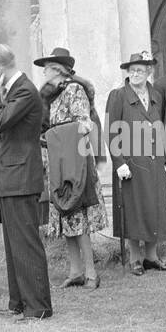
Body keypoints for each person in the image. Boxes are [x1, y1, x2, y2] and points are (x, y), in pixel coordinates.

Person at [0, 44, 52, 320]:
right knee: (14, 245)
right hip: (14, 176)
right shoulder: (15, 90)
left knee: (26, 244)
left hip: (22, 177)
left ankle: (38, 307)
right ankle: (19, 303)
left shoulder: (24, 90)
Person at [36, 47, 106, 288]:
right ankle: (75, 270)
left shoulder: (74, 90)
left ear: (58, 70)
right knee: (66, 214)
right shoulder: (48, 96)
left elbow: (83, 123)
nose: (44, 73)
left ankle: (90, 272)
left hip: (75, 161)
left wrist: (54, 135)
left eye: (47, 69)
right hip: (57, 161)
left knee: (79, 214)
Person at [106, 50, 166, 275]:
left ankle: (152, 258)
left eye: (140, 70)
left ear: (148, 72)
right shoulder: (117, 96)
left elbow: (161, 127)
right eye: (132, 70)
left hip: (155, 162)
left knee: (155, 208)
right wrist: (119, 162)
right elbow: (111, 131)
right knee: (134, 210)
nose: (135, 74)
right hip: (131, 163)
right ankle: (135, 259)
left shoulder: (157, 95)